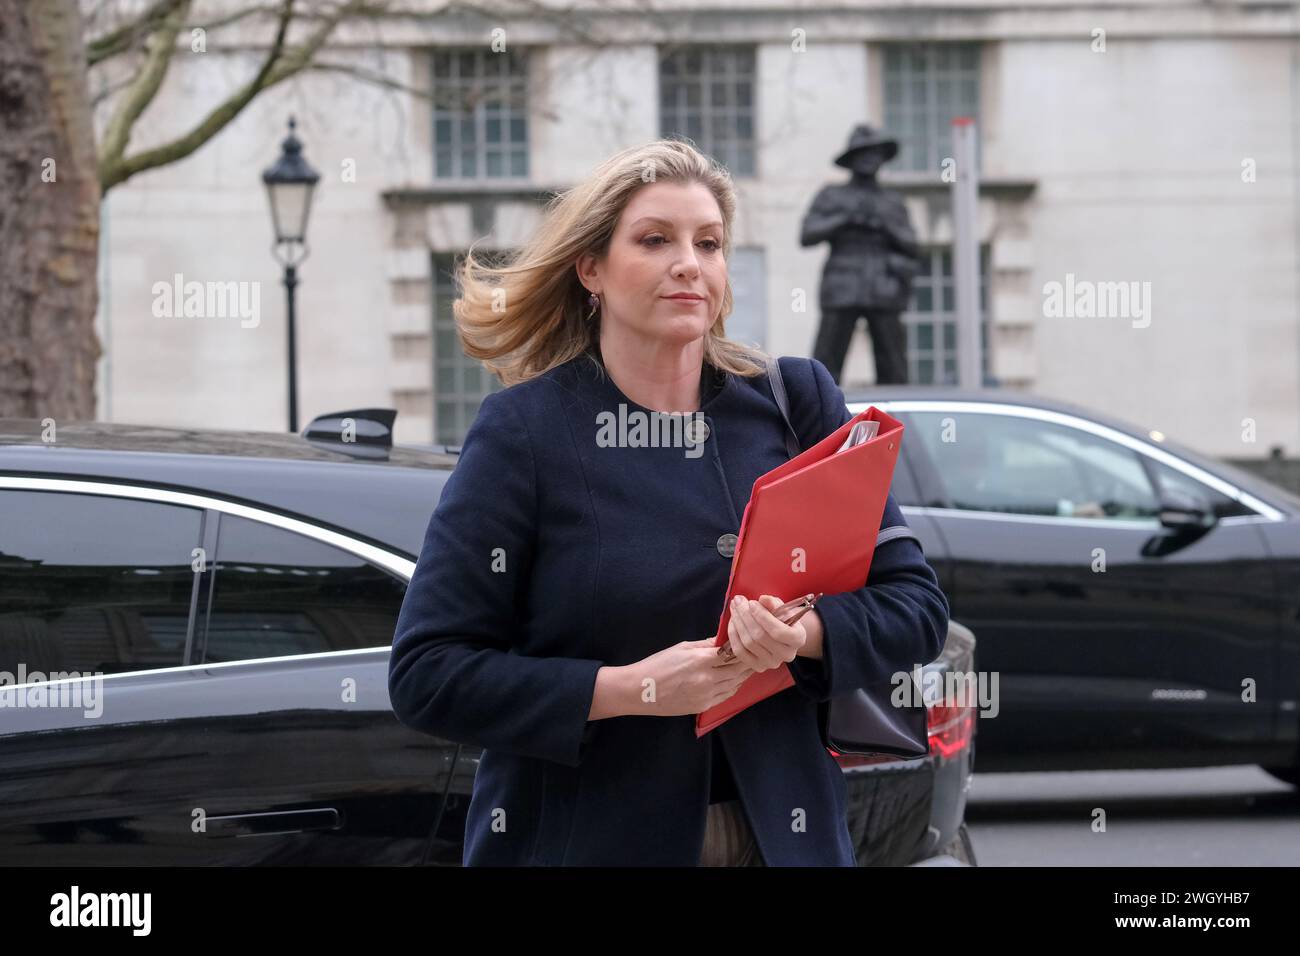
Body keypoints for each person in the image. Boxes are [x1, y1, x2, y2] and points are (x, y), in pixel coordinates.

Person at [387, 138, 951, 867]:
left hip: (785, 841)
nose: (690, 262)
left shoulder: (797, 400)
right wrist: (629, 689)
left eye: (709, 243)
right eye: (655, 240)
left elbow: (916, 608)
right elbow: (429, 674)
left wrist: (804, 635)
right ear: (591, 268)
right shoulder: (525, 431)